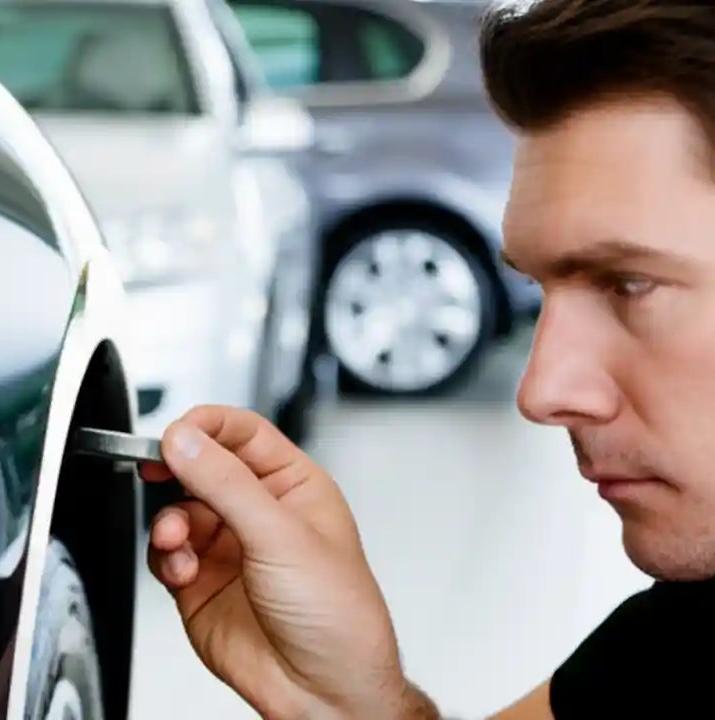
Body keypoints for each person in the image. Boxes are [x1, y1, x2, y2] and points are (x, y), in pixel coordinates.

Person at [142, 1, 715, 718]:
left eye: (630, 285)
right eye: (540, 287)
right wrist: (352, 698)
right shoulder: (678, 641)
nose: (541, 391)